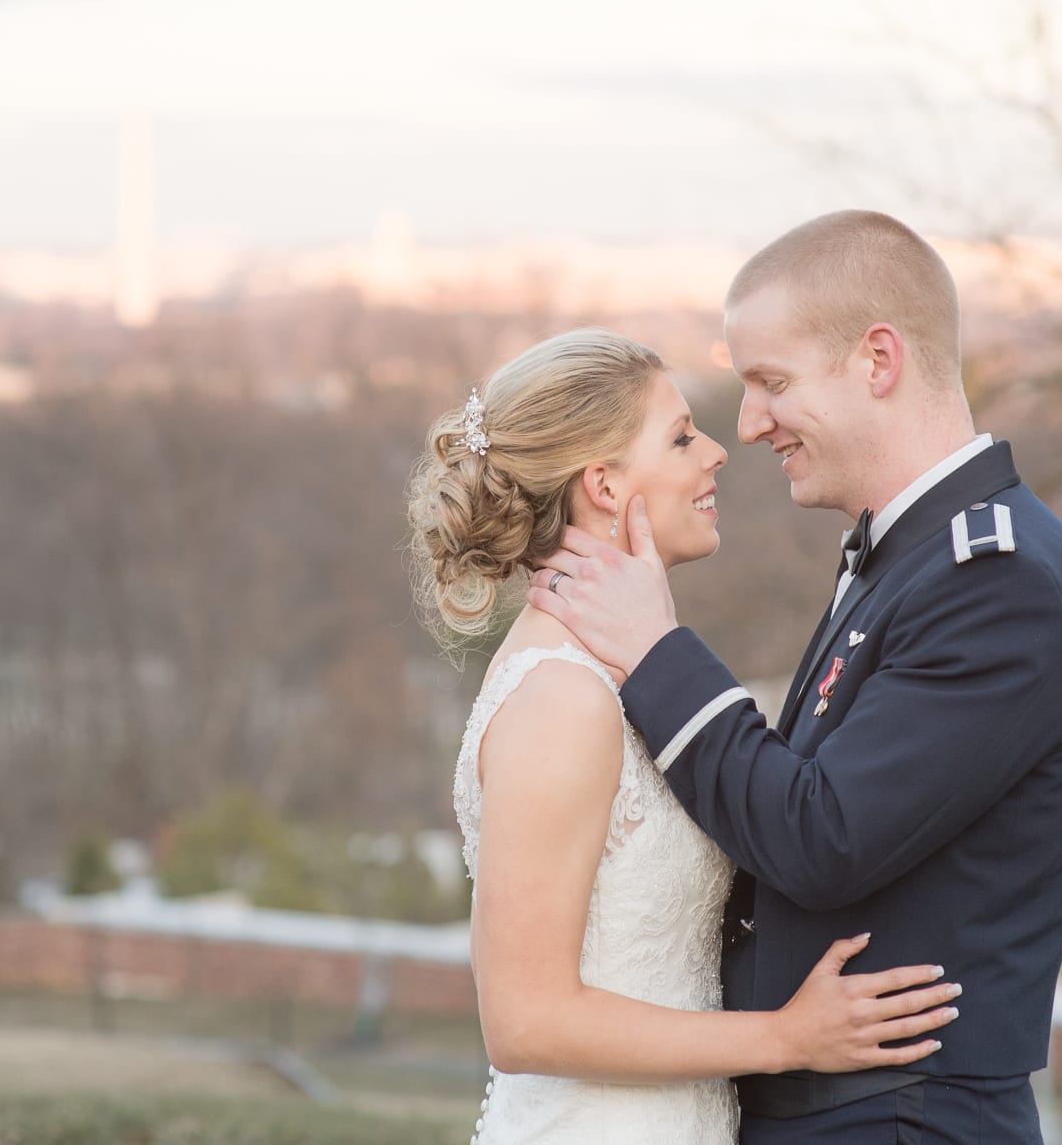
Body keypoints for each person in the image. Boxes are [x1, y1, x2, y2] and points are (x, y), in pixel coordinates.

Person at [530, 213, 1062, 1144]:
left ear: (877, 359)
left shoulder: (1003, 585)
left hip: (897, 1118)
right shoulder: (913, 560)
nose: (749, 422)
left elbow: (824, 833)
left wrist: (657, 654)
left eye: (772, 382)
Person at [408, 327, 960, 1144]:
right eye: (679, 437)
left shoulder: (622, 672)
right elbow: (525, 1021)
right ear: (603, 482)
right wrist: (789, 1037)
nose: (717, 452)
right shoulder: (562, 696)